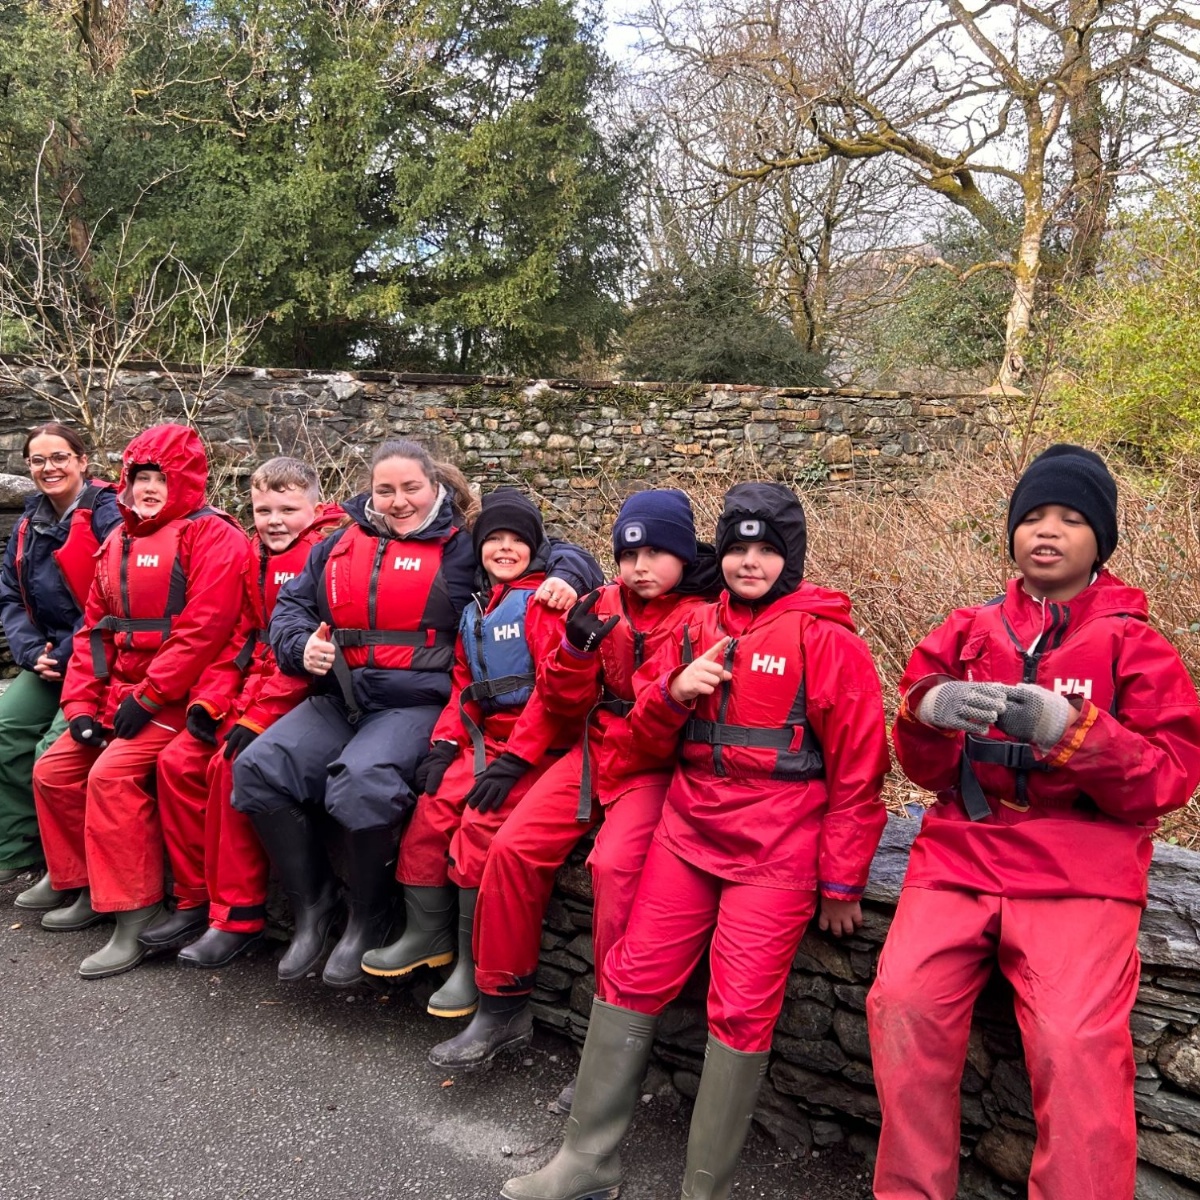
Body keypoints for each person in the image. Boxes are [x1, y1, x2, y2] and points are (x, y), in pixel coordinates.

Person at [500, 481, 890, 1200]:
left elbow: (861, 773)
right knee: (631, 975)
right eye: (738, 547)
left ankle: (701, 1191)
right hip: (688, 830)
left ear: (790, 559)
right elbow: (643, 742)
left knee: (741, 1009)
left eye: (766, 549)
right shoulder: (693, 629)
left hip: (775, 851)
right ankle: (586, 1159)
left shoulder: (829, 643)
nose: (749, 561)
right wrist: (672, 692)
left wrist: (840, 882)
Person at [866, 445, 1200, 1200]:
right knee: (902, 1007)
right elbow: (919, 766)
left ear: (1100, 540)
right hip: (962, 856)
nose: (1047, 532)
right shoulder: (967, 629)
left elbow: (1169, 777)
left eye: (1072, 519)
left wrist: (1070, 729)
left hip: (1082, 869)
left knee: (1075, 1045)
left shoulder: (1135, 644)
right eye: (1034, 517)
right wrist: (927, 710)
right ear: (1013, 532)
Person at [231, 440, 598, 988]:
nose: (398, 501)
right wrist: (298, 645)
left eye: (410, 488)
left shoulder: (463, 545)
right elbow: (292, 609)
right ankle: (314, 908)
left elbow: (551, 548)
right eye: (385, 490)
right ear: (369, 492)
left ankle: (369, 918)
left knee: (362, 782)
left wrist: (568, 575)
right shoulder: (336, 545)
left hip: (418, 701)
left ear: (435, 487)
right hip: (341, 696)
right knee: (258, 768)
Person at [429, 488, 720, 1073]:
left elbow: (662, 724)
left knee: (614, 869)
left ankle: (615, 1037)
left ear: (685, 558)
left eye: (659, 554)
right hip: (593, 752)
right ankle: (502, 1001)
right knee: (512, 849)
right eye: (630, 554)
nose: (641, 567)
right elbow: (561, 699)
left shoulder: (701, 618)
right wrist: (575, 651)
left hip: (652, 766)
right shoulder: (599, 603)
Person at [30, 423, 250, 978]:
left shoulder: (212, 535)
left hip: (180, 698)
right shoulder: (118, 539)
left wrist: (152, 697)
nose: (149, 487)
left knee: (111, 777)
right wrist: (80, 709)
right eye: (139, 477)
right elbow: (92, 632)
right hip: (122, 696)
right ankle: (84, 886)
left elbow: (204, 630)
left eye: (161, 477)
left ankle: (135, 911)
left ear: (185, 480)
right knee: (55, 770)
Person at [361, 488, 585, 1017]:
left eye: (517, 541)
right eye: (494, 540)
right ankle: (425, 935)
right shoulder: (476, 610)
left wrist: (517, 760)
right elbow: (464, 685)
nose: (504, 549)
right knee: (431, 808)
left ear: (535, 549)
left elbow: (554, 694)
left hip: (537, 746)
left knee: (480, 827)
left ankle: (469, 961)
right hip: (486, 739)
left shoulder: (543, 606)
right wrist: (444, 744)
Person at [141, 457, 343, 963]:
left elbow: (307, 660)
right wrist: (211, 699)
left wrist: (255, 718)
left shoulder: (327, 555)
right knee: (175, 762)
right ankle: (195, 898)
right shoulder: (254, 554)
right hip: (250, 686)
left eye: (288, 509)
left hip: (299, 692)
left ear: (315, 507)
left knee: (231, 767)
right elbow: (241, 638)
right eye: (263, 509)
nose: (274, 520)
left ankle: (239, 915)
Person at [0, 424, 120, 900]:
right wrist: (30, 651)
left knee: (52, 752)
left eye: (59, 457)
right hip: (47, 656)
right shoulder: (30, 520)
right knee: (7, 731)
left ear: (82, 460)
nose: (48, 468)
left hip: (93, 657)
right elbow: (9, 592)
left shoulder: (108, 515)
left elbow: (112, 594)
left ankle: (65, 867)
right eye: (37, 460)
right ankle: (15, 849)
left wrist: (66, 652)